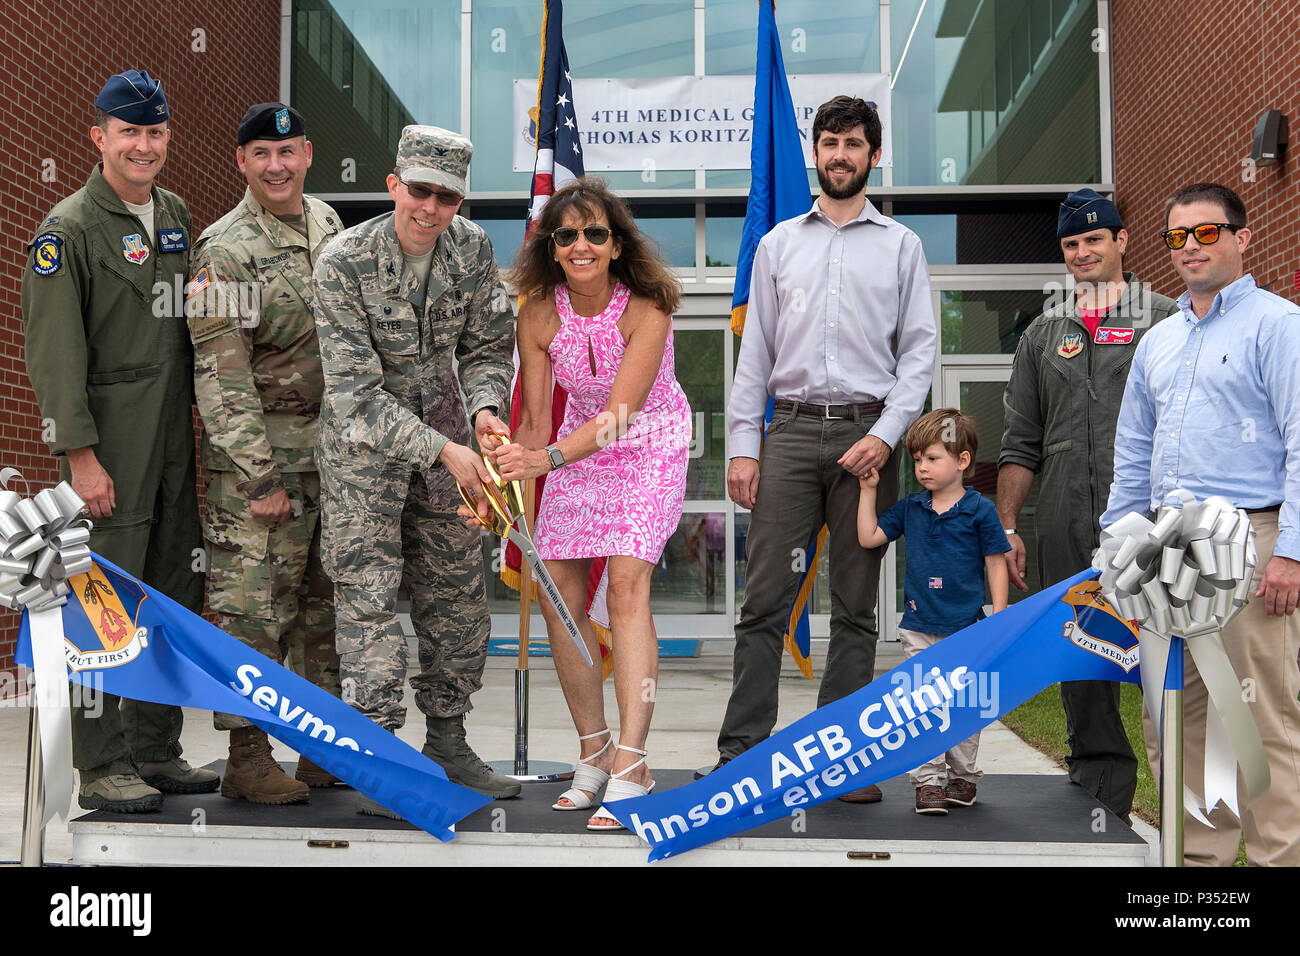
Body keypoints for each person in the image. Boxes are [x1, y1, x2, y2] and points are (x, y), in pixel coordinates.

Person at [712, 95, 937, 802]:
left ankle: (838, 759)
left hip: (867, 438)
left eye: (853, 143)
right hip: (790, 433)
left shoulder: (902, 247)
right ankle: (744, 749)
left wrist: (883, 436)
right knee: (763, 600)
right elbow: (756, 355)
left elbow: (921, 353)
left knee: (856, 604)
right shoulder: (779, 245)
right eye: (829, 142)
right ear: (816, 153)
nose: (840, 155)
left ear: (874, 155)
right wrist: (744, 446)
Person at [21, 70, 218, 811]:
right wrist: (79, 458)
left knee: (169, 589)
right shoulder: (66, 230)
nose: (144, 145)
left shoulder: (173, 213)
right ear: (98, 137)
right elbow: (53, 352)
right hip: (108, 443)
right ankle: (102, 766)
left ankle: (156, 750)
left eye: (156, 133)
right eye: (129, 132)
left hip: (171, 436)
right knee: (101, 602)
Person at [311, 125, 519, 809]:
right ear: (395, 184)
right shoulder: (342, 260)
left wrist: (487, 409)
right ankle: (378, 757)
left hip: (452, 449)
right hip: (365, 459)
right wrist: (446, 449)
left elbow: (489, 345)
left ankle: (449, 741)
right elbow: (353, 395)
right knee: (368, 600)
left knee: (457, 593)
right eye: (420, 191)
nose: (431, 208)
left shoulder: (474, 250)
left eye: (448, 197)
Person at [1102, 182, 1300, 866]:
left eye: (1206, 233)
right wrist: (1116, 551)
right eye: (1177, 237)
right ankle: (1202, 871)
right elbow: (1132, 455)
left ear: (1243, 238)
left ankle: (1279, 859)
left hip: (1253, 540)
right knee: (1177, 720)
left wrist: (1293, 554)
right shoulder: (1158, 341)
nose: (1190, 248)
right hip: (1164, 551)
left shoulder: (1280, 325)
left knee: (1257, 716)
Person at [487, 177, 690, 831]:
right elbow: (536, 421)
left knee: (628, 588)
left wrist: (545, 459)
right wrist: (506, 488)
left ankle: (634, 763)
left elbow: (621, 416)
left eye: (594, 233)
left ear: (615, 243)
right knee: (557, 595)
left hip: (647, 445)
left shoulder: (648, 306)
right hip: (574, 455)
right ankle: (594, 751)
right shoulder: (538, 311)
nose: (580, 245)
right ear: (550, 245)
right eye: (566, 234)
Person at [997, 188, 1179, 821]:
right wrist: (1010, 525)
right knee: (1083, 648)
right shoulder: (1042, 335)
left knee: (1166, 649)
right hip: (1066, 511)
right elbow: (1021, 441)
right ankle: (1099, 795)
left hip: (1156, 515)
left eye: (1093, 240)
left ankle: (1184, 790)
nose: (1081, 253)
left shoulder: (1167, 318)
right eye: (1071, 244)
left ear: (1122, 241)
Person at [187, 103, 343, 805]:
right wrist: (258, 477)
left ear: (308, 153)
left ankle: (316, 747)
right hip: (261, 467)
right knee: (255, 612)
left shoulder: (330, 227)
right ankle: (247, 756)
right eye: (261, 154)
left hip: (330, 460)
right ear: (241, 163)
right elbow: (222, 374)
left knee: (321, 609)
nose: (276, 166)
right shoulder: (226, 248)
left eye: (287, 151)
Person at [858, 408, 1009, 814]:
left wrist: (999, 614)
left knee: (965, 706)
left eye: (932, 458)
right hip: (919, 629)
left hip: (968, 629)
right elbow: (869, 536)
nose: (922, 467)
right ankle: (928, 783)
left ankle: (962, 778)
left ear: (962, 461)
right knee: (923, 706)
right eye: (918, 460)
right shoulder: (911, 508)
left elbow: (996, 561)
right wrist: (869, 490)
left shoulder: (980, 510)